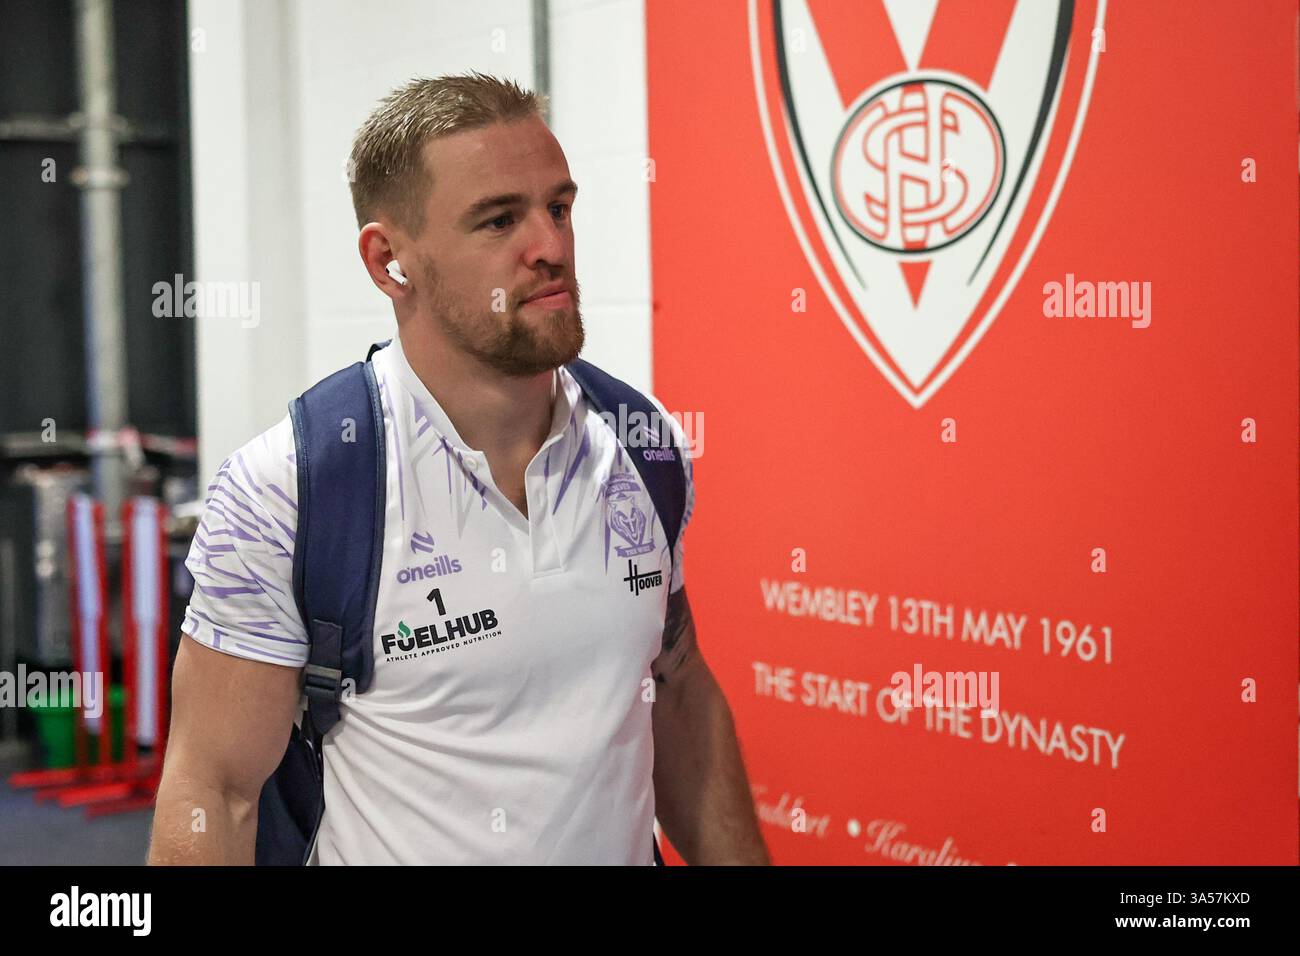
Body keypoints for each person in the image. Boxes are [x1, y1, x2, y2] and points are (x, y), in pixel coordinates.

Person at [147, 72, 770, 865]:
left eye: (559, 207)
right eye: (499, 219)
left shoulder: (640, 443)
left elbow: (676, 690)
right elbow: (214, 791)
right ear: (389, 261)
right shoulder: (291, 490)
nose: (550, 246)